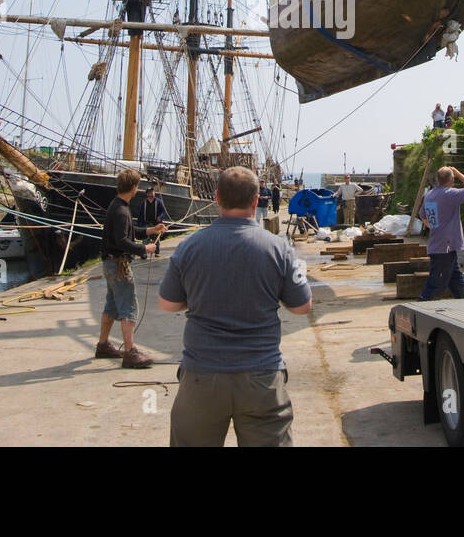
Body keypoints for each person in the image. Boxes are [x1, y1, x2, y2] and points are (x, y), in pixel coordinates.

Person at [159, 166, 312, 446]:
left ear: (217, 198)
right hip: (262, 377)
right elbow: (302, 306)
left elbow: (167, 304)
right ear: (256, 200)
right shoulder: (281, 249)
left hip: (201, 375)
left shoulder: (188, 247)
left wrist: (196, 295)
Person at [96, 169, 167, 368]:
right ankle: (130, 352)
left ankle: (103, 344)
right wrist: (145, 248)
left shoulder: (118, 206)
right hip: (119, 265)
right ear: (134, 188)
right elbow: (122, 241)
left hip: (109, 263)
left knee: (111, 305)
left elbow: (128, 231)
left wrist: (151, 230)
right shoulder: (121, 210)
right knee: (129, 306)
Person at [418, 166, 464, 301]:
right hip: (444, 248)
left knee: (458, 281)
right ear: (451, 179)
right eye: (453, 177)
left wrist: (434, 227)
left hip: (441, 246)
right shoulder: (450, 194)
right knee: (435, 285)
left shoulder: (429, 195)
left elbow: (422, 215)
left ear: (437, 180)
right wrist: (459, 173)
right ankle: (419, 309)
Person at [135, 186, 170, 257]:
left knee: (156, 238)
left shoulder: (159, 202)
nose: (152, 193)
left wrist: (160, 217)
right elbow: (140, 214)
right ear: (147, 194)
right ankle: (144, 253)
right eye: (150, 192)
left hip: (156, 223)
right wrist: (139, 224)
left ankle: (157, 252)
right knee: (145, 239)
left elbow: (163, 212)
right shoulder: (144, 203)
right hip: (146, 223)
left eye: (153, 191)